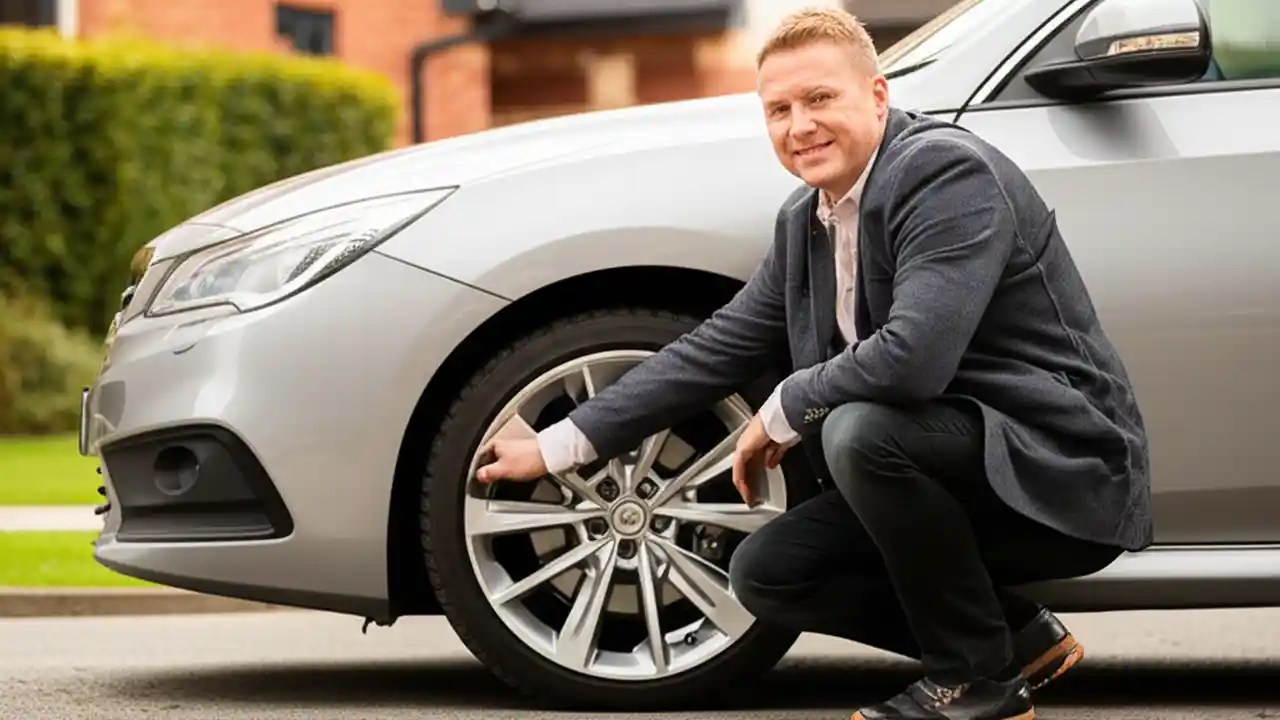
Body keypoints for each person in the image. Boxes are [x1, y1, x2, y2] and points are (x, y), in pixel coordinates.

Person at [476, 7, 1151, 720]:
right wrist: (555, 447)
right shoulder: (807, 221)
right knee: (769, 576)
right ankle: (1015, 641)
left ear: (879, 96)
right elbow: (713, 349)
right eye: (778, 110)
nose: (799, 126)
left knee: (859, 430)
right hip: (957, 476)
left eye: (821, 99)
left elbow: (913, 362)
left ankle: (973, 682)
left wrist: (787, 405)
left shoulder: (947, 174)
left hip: (1056, 472)